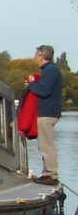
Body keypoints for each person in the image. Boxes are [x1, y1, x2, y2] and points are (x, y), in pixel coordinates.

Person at [26, 45, 64, 185]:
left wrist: (31, 84)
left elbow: (44, 91)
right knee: (44, 145)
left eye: (36, 55)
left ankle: (51, 175)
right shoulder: (50, 70)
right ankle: (47, 173)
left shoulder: (50, 71)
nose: (34, 58)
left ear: (42, 56)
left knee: (46, 145)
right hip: (48, 112)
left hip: (47, 112)